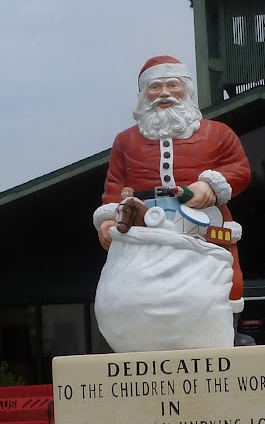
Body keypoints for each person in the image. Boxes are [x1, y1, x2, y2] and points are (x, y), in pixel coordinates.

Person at [93, 55, 251, 303]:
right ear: (144, 95)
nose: (164, 93)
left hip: (203, 219)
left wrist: (209, 184)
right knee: (141, 282)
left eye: (172, 85)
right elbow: (116, 185)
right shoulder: (125, 141)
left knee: (220, 273)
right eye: (155, 87)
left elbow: (239, 170)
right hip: (144, 222)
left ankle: (226, 324)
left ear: (186, 89)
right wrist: (107, 219)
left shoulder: (219, 133)